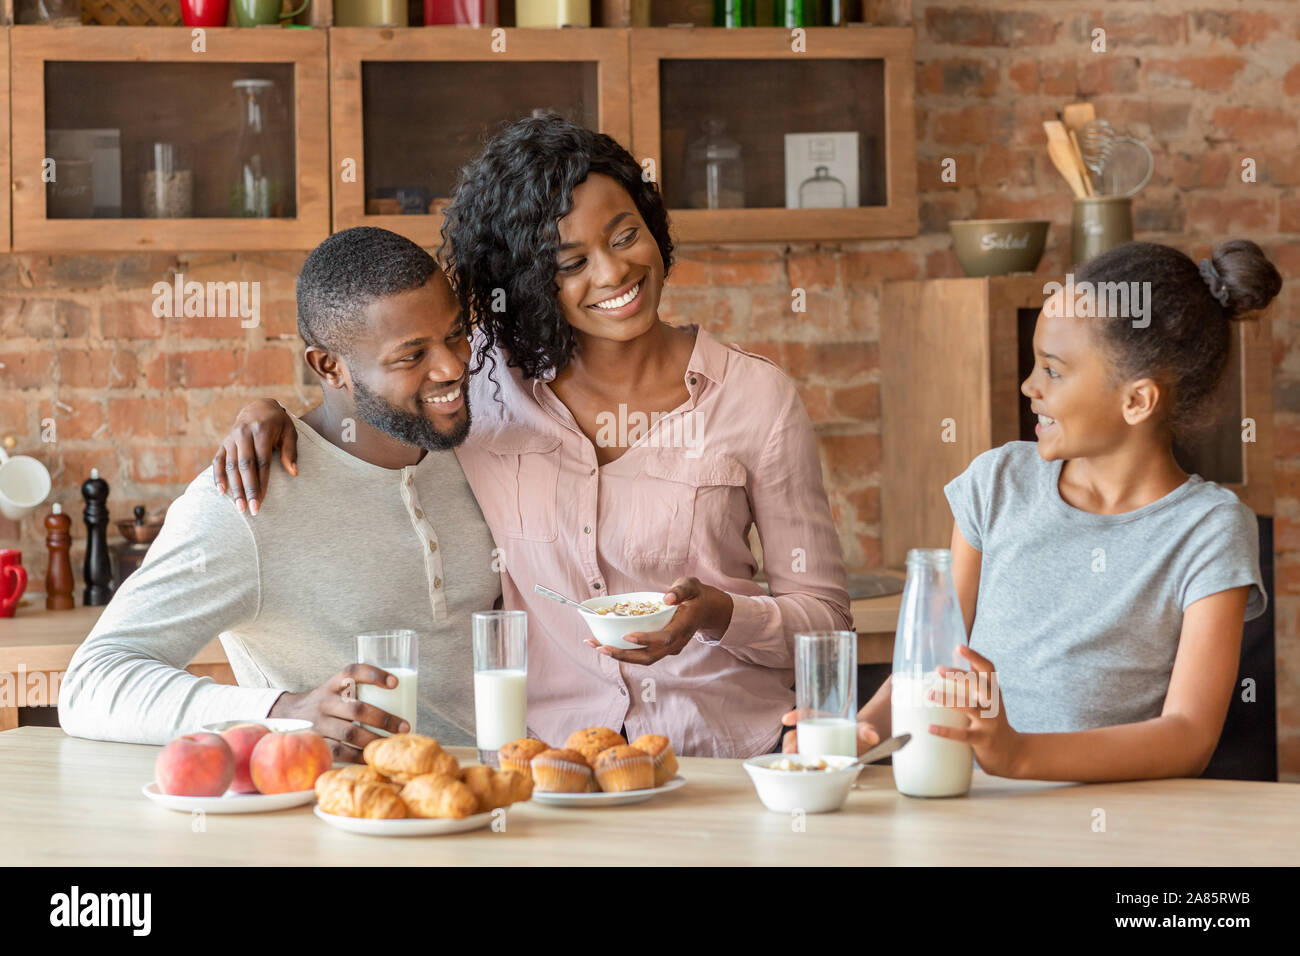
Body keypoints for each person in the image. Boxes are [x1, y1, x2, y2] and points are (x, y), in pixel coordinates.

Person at [212, 113, 852, 758]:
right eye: (570, 262)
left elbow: (827, 622)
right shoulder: (485, 383)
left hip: (725, 756)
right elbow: (379, 390)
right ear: (524, 282)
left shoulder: (754, 398)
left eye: (626, 235)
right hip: (548, 766)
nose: (612, 274)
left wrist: (719, 613)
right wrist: (270, 412)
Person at [783, 238, 1281, 782]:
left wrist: (1019, 755)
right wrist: (865, 731)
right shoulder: (996, 483)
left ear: (1136, 400)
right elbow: (929, 665)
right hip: (966, 803)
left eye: (1054, 371)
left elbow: (1188, 736)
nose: (1029, 386)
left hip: (1115, 826)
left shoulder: (1208, 529)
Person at [59, 228, 501, 759]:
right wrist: (280, 713)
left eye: (456, 334)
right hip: (343, 817)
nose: (453, 367)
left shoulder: (482, 451)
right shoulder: (248, 500)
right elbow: (92, 681)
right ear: (328, 366)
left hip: (499, 800)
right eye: (411, 356)